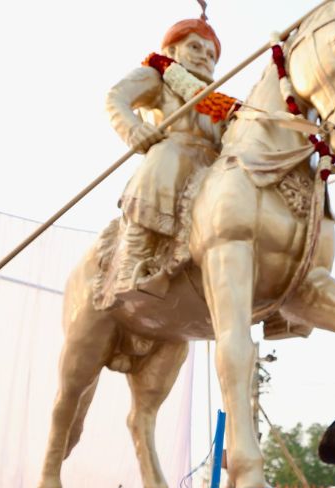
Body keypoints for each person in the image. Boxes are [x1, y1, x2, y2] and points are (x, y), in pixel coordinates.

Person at [95, 16, 230, 310]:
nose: (204, 58)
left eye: (211, 55)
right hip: (173, 152)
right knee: (166, 161)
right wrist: (134, 129)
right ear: (172, 51)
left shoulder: (219, 103)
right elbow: (115, 98)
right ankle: (133, 260)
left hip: (213, 165)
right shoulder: (158, 75)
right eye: (195, 47)